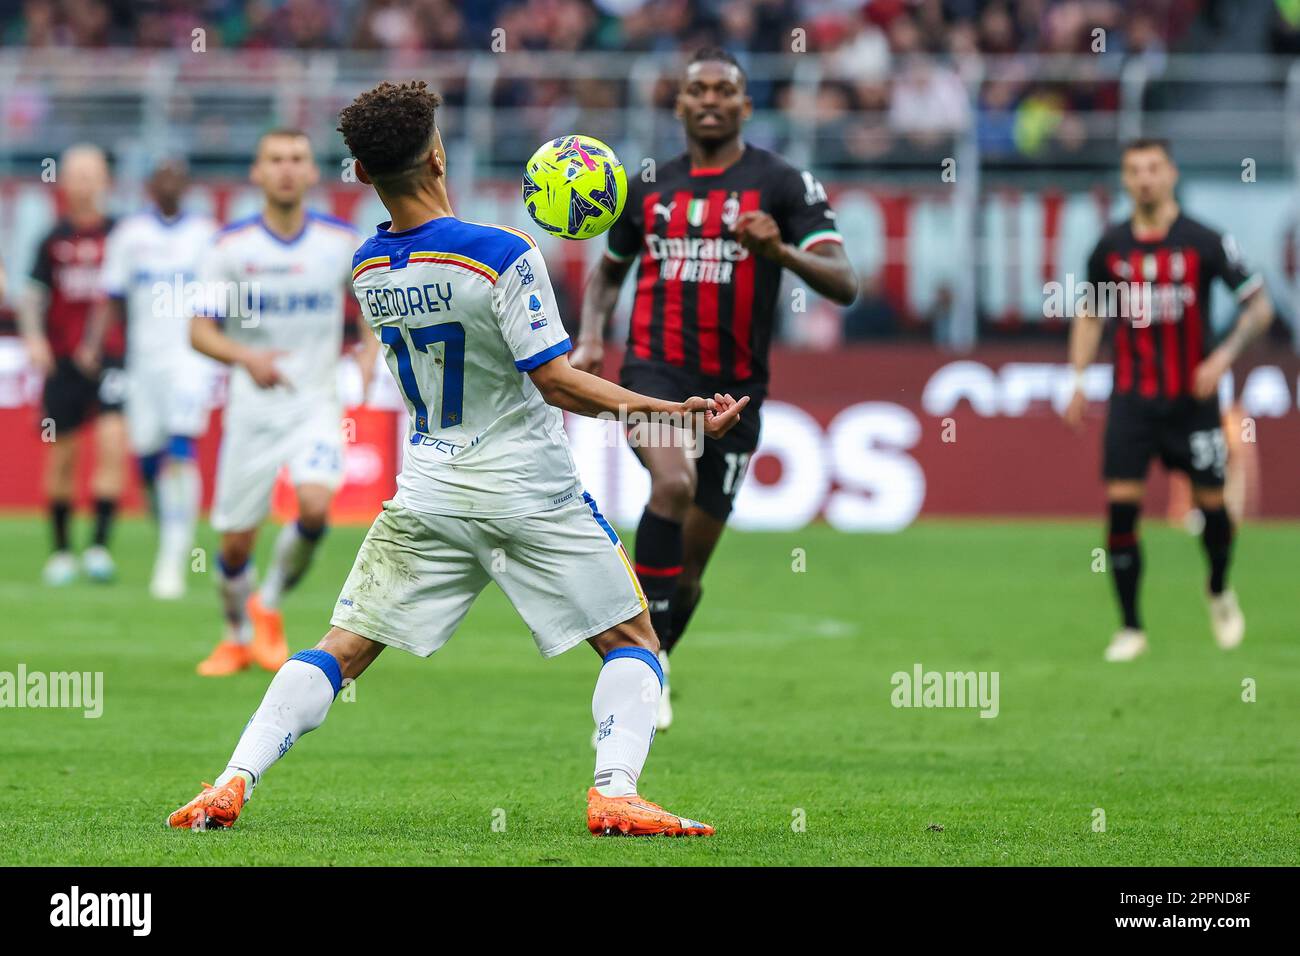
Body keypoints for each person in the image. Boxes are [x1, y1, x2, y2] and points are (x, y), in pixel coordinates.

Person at [168, 80, 747, 837]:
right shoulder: (503, 253)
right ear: (438, 155)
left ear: (367, 176)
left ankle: (233, 778)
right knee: (633, 640)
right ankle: (614, 791)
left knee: (341, 649)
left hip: (431, 491)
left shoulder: (369, 265)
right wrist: (675, 415)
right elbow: (557, 382)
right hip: (527, 489)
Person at [572, 48, 856, 728]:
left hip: (735, 393)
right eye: (695, 89)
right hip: (653, 375)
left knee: (690, 571)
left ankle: (656, 657)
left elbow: (845, 282)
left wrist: (780, 253)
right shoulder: (647, 188)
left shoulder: (783, 184)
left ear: (745, 105)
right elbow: (610, 271)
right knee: (670, 486)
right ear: (678, 104)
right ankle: (641, 670)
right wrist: (589, 336)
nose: (708, 99)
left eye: (722, 90)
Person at [1063, 138, 1273, 662]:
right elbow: (1091, 313)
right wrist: (1077, 378)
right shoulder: (1109, 247)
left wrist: (1223, 358)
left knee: (1214, 513)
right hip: (1132, 400)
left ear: (1172, 174)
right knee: (1120, 509)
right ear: (1125, 179)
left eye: (1153, 168)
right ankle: (1131, 627)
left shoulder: (1204, 242)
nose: (1144, 179)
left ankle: (1219, 588)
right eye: (1134, 170)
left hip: (1192, 401)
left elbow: (1259, 306)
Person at [188, 129, 378, 676]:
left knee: (316, 507)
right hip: (251, 411)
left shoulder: (341, 242)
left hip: (315, 405)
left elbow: (370, 304)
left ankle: (267, 606)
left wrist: (367, 351)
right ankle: (235, 634)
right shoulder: (230, 248)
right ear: (257, 172)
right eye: (276, 160)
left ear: (312, 172)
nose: (288, 169)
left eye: (297, 158)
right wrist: (245, 359)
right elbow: (199, 332)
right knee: (234, 543)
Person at [80, 159, 218, 599]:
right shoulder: (129, 237)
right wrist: (93, 343)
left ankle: (171, 562)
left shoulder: (206, 236)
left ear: (187, 186)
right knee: (145, 458)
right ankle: (171, 532)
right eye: (162, 178)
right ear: (150, 187)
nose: (169, 185)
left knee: (181, 447)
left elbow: (227, 294)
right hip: (144, 361)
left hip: (191, 357)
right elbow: (112, 296)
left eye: (177, 177)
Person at [18, 144, 127, 586]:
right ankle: (62, 551)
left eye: (91, 175)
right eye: (75, 175)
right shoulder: (52, 239)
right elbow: (33, 295)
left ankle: (99, 546)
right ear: (62, 182)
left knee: (112, 443)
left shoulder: (122, 235)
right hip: (63, 359)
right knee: (62, 456)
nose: (83, 184)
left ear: (106, 182)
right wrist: (33, 338)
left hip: (112, 359)